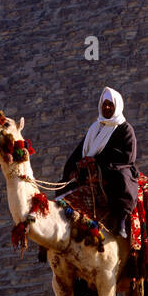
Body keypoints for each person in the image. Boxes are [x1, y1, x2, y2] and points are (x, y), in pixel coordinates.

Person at [61, 86, 138, 238]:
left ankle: (121, 220)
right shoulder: (94, 128)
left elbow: (127, 156)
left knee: (122, 178)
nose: (107, 107)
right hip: (91, 168)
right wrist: (71, 168)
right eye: (104, 104)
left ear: (117, 106)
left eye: (110, 104)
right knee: (65, 184)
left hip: (115, 168)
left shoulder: (125, 129)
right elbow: (80, 151)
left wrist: (97, 161)